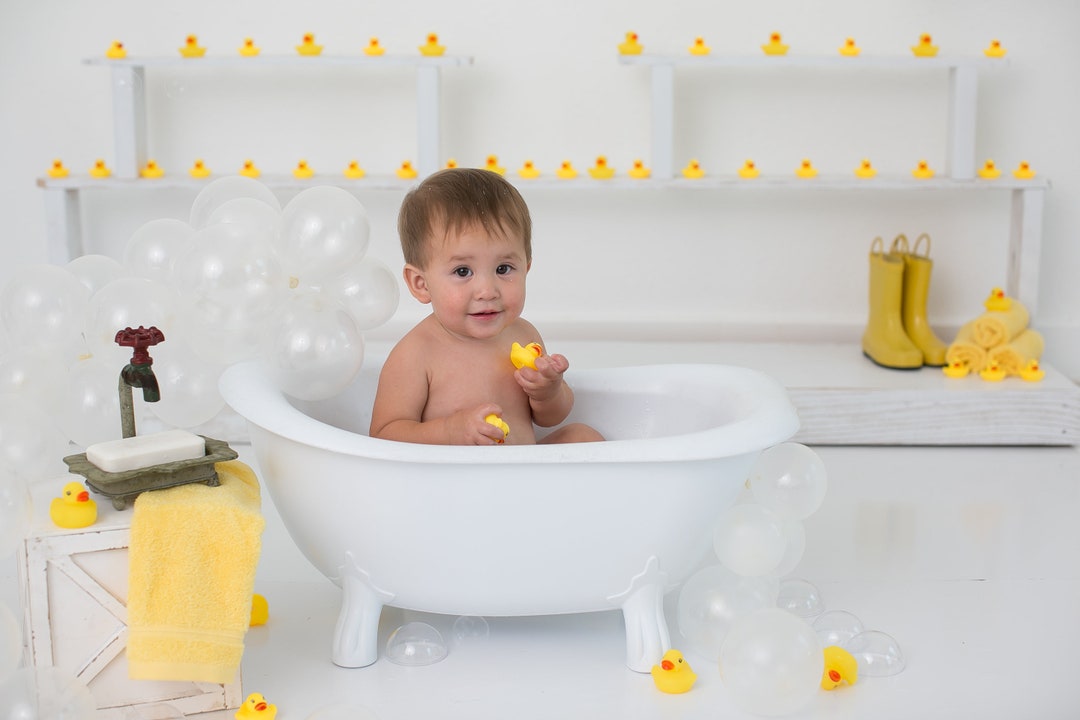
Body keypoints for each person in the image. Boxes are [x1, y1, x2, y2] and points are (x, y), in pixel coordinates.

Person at [369, 168, 603, 446]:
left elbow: (550, 418)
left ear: (526, 268)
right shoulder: (416, 354)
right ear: (421, 284)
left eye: (503, 268)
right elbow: (383, 435)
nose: (487, 291)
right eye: (463, 271)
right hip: (458, 472)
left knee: (582, 436)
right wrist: (450, 431)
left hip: (526, 466)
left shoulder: (523, 335)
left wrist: (548, 392)